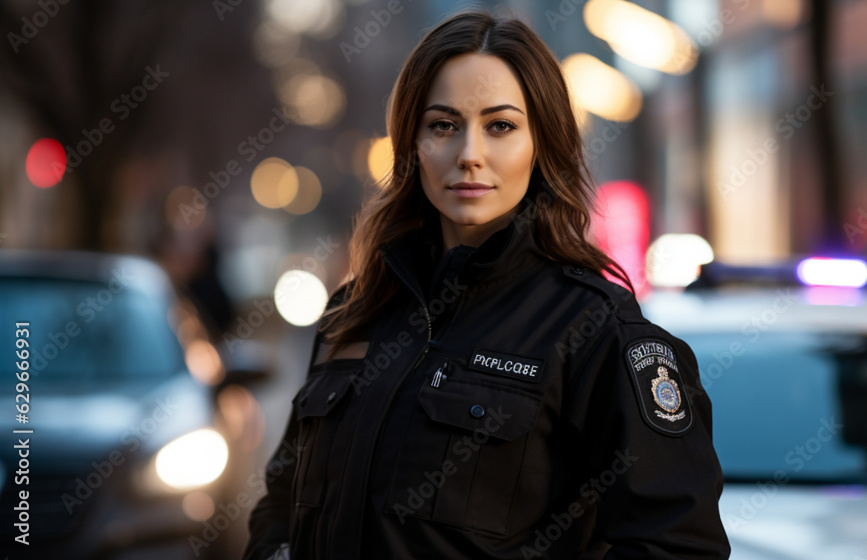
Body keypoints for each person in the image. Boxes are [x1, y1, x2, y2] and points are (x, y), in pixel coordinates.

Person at [244, 8, 730, 560]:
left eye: (500, 126)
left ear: (541, 144)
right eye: (443, 125)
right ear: (412, 146)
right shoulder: (353, 312)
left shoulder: (596, 333)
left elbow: (676, 547)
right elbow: (282, 497)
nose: (469, 154)